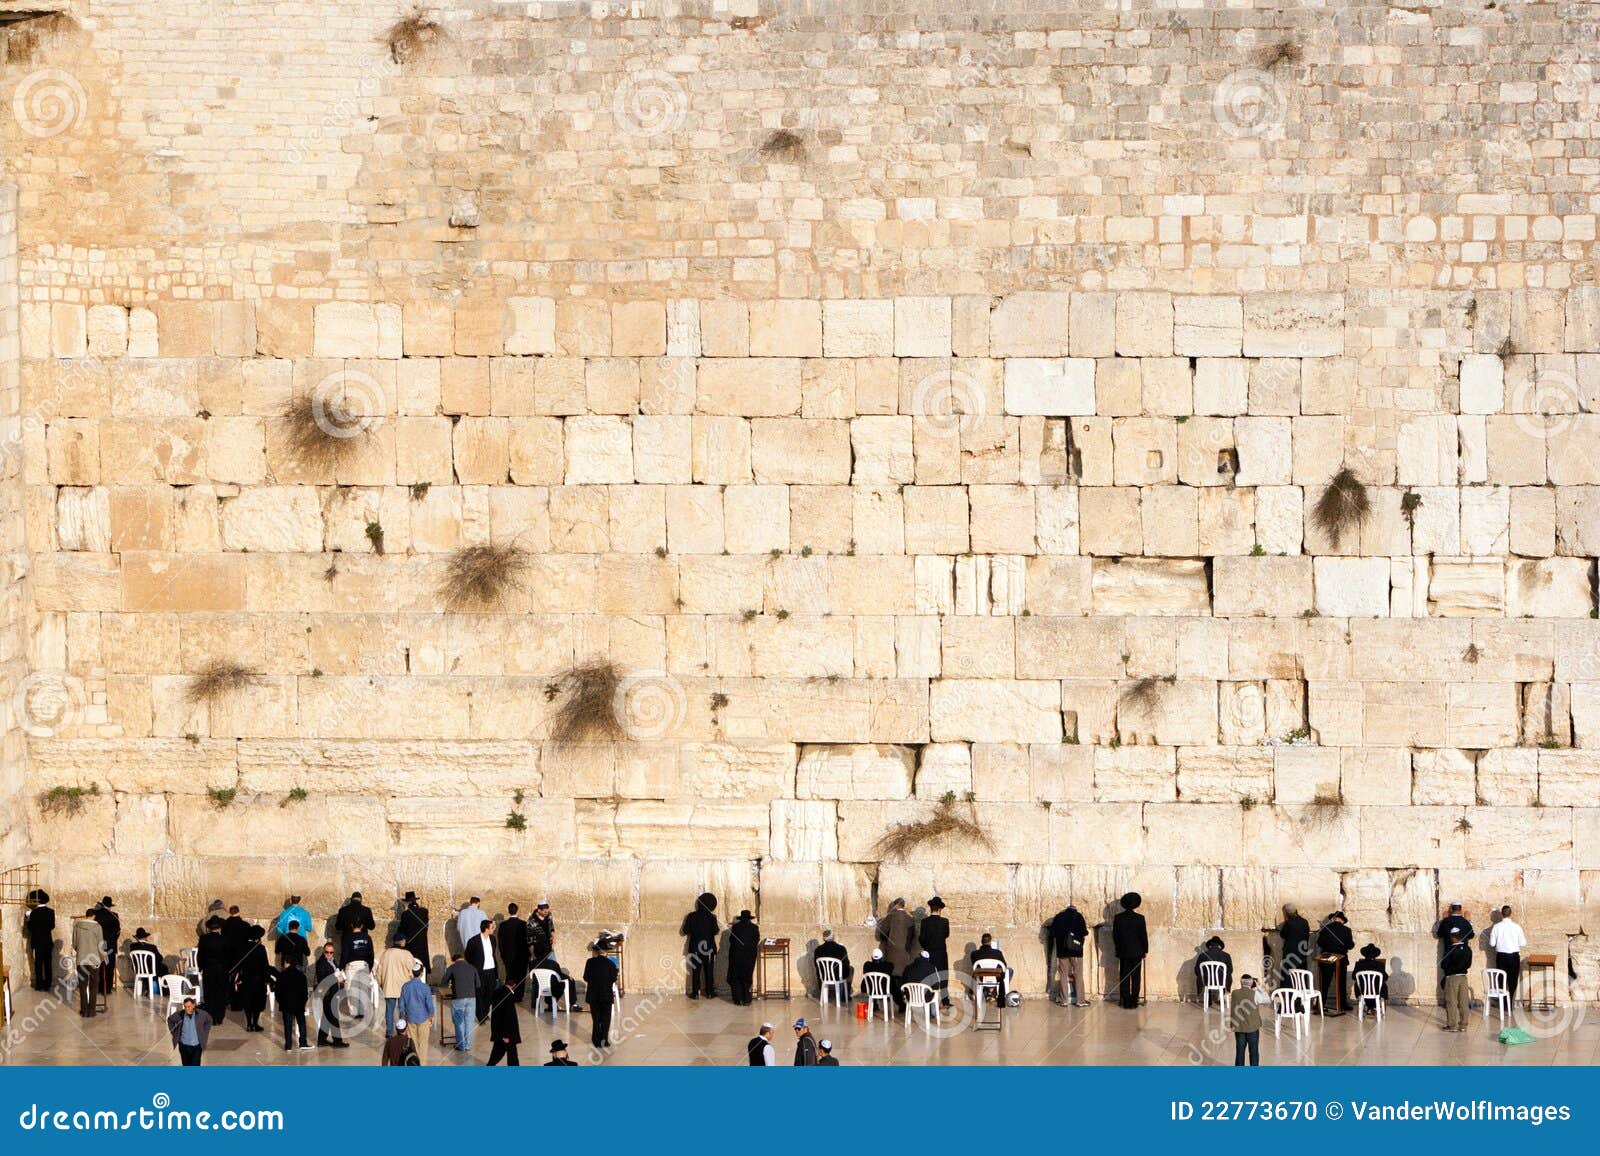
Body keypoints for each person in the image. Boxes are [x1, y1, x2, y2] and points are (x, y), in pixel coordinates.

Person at [1048, 902, 1089, 1007]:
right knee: (1078, 975)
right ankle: (1080, 1001)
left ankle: (1064, 1000)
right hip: (1076, 951)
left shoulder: (1059, 917)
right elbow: (1084, 932)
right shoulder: (1079, 916)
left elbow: (1052, 933)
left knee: (1063, 975)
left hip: (1062, 951)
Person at [680, 892, 720, 999]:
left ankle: (695, 993)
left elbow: (685, 931)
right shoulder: (712, 917)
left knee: (695, 971)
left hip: (695, 948)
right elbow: (716, 931)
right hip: (709, 948)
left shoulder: (691, 916)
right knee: (709, 971)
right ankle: (710, 992)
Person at [375, 933, 416, 1037]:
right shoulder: (406, 954)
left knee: (389, 1011)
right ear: (402, 941)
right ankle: (402, 1031)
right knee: (403, 1011)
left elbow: (379, 971)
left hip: (389, 987)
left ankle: (389, 1032)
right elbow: (412, 971)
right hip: (403, 988)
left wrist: (380, 983)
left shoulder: (386, 953)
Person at [582, 939, 620, 1049]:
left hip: (593, 995)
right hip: (606, 995)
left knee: (596, 1018)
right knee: (606, 1018)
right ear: (606, 952)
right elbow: (613, 978)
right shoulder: (611, 964)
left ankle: (596, 1040)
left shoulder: (589, 962)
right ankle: (604, 1039)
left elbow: (586, 977)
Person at [1112, 892, 1147, 1009]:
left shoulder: (1118, 918)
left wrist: (1118, 948)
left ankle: (1125, 1000)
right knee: (1136, 977)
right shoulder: (1140, 918)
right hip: (1137, 952)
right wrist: (1145, 950)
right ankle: (1134, 1001)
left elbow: (1115, 936)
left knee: (1124, 976)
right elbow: (1143, 936)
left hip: (1124, 952)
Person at [398, 960, 436, 1065]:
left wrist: (402, 1018)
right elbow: (430, 1005)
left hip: (410, 1019)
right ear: (421, 973)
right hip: (423, 1019)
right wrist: (431, 1016)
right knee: (423, 1045)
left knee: (413, 1045)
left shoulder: (405, 986)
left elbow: (401, 1005)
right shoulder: (425, 987)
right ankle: (421, 1065)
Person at [1316, 911, 1355, 1011]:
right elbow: (1350, 945)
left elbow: (1320, 943)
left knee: (1324, 983)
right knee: (1341, 983)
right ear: (1342, 920)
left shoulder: (1326, 929)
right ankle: (1342, 1005)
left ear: (1333, 919)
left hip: (1327, 957)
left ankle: (1320, 1004)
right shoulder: (1347, 930)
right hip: (1341, 959)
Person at [273, 954, 312, 1052]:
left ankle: (288, 1046)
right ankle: (303, 1043)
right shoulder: (301, 975)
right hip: (299, 1004)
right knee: (301, 1024)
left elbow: (277, 992)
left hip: (286, 1005)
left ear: (287, 963)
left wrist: (281, 1002)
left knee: (288, 1025)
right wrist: (303, 1002)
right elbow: (305, 992)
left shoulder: (281, 975)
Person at [314, 941, 349, 1048]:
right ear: (323, 952)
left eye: (331, 952)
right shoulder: (321, 963)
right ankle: (337, 1041)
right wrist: (336, 979)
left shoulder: (333, 961)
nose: (329, 954)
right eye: (326, 952)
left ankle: (321, 1040)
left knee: (327, 1017)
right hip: (327, 993)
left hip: (334, 992)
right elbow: (322, 979)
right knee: (333, 1017)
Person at [236, 926, 271, 1032]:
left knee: (248, 1002)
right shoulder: (260, 948)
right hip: (258, 980)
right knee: (257, 1002)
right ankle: (255, 1024)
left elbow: (240, 965)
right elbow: (265, 965)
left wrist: (239, 978)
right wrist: (267, 980)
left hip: (246, 979)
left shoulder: (243, 947)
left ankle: (249, 1024)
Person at [196, 916, 230, 1025]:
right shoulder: (224, 939)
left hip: (208, 969)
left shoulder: (203, 939)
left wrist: (201, 967)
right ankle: (219, 1017)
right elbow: (227, 956)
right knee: (220, 993)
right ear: (219, 927)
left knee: (209, 993)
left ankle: (210, 1016)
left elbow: (200, 955)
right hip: (221, 970)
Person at [1489, 905, 1526, 1000]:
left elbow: (1492, 944)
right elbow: (1523, 943)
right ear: (1511, 914)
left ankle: (1503, 1002)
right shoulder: (1517, 927)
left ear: (1502, 914)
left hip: (1501, 957)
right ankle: (1511, 1002)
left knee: (1501, 979)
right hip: (1514, 956)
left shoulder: (1496, 927)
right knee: (1513, 980)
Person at [919, 897, 951, 1006]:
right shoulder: (944, 921)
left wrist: (925, 947)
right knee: (943, 975)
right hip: (941, 953)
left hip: (928, 953)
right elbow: (946, 935)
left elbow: (922, 938)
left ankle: (929, 998)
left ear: (931, 908)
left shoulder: (924, 922)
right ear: (940, 909)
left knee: (929, 975)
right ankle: (945, 1001)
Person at [444, 951, 479, 1051]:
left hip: (458, 998)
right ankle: (468, 1045)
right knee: (469, 1022)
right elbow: (478, 984)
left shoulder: (452, 967)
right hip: (472, 998)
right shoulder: (472, 967)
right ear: (463, 958)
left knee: (459, 1022)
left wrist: (452, 982)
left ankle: (461, 1045)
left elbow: (443, 981)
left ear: (454, 960)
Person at [464, 919, 498, 1022]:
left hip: (491, 970)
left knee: (490, 993)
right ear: (486, 928)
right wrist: (475, 967)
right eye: (492, 927)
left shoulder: (493, 939)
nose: (493, 929)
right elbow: (468, 956)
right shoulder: (473, 941)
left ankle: (485, 1012)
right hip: (480, 971)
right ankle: (480, 1015)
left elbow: (493, 954)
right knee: (480, 993)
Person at [875, 897, 916, 979]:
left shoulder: (890, 917)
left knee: (892, 975)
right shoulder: (910, 919)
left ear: (896, 905)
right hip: (905, 953)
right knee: (903, 975)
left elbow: (882, 932)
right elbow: (912, 936)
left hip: (892, 951)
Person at [1440, 928, 1472, 1032]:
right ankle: (1463, 1025)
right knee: (1463, 1001)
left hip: (1452, 978)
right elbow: (1468, 964)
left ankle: (1452, 1025)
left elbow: (1443, 965)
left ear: (1452, 937)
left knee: (1451, 1001)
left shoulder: (1450, 950)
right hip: (1463, 977)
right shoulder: (1468, 949)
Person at [726, 908, 760, 1005]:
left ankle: (738, 999)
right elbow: (756, 940)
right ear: (749, 918)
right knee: (747, 976)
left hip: (737, 956)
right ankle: (747, 999)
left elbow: (731, 940)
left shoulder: (736, 927)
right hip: (750, 956)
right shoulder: (754, 928)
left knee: (736, 977)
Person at [72, 908, 102, 1017]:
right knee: (94, 985)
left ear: (86, 915)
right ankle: (92, 1010)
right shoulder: (97, 927)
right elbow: (100, 945)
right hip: (94, 960)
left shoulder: (77, 926)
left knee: (83, 986)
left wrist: (81, 952)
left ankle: (84, 1010)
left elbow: (74, 943)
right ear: (94, 916)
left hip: (81, 959)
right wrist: (102, 958)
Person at [1228, 975, 1263, 1066]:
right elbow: (1266, 999)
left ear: (1240, 982)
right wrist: (1258, 987)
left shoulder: (1234, 993)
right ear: (1251, 982)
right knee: (1253, 1051)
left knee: (1240, 1052)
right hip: (1252, 1028)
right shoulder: (1255, 994)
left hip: (1239, 1028)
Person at [23, 890, 55, 991]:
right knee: (48, 964)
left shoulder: (33, 913)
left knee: (38, 964)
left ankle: (39, 985)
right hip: (47, 942)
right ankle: (48, 985)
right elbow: (52, 926)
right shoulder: (51, 912)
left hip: (37, 942)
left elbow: (30, 928)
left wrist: (28, 919)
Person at [499, 902, 531, 1001]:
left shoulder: (503, 925)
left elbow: (500, 942)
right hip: (522, 956)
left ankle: (510, 995)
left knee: (510, 976)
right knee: (521, 976)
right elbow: (528, 941)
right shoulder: (524, 924)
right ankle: (519, 996)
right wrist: (529, 954)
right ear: (517, 911)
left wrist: (503, 955)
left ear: (508, 911)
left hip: (508, 956)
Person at [168, 996, 212, 1066]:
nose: (187, 1009)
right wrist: (175, 1033)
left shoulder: (201, 1014)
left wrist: (205, 1032)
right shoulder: (180, 1014)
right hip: (184, 1046)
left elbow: (209, 1020)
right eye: (185, 1007)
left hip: (196, 1046)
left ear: (193, 1005)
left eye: (189, 1006)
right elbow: (170, 1020)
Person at [221, 905, 250, 1009]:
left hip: (228, 955)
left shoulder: (225, 925)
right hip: (241, 955)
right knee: (240, 978)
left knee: (229, 978)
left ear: (230, 912)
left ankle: (229, 998)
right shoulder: (245, 925)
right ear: (238, 911)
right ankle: (239, 1000)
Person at [969, 933, 1010, 1006]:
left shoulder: (974, 954)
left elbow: (974, 967)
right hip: (996, 979)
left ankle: (988, 992)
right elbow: (1004, 966)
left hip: (981, 978)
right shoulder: (998, 953)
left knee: (976, 974)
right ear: (990, 942)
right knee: (1009, 971)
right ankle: (992, 991)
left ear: (981, 941)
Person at [486, 984, 521, 1066]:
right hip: (506, 1032)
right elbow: (508, 1017)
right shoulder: (507, 996)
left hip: (499, 1030)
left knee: (500, 1052)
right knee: (509, 1054)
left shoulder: (498, 993)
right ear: (514, 985)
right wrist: (506, 1035)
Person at [1277, 904, 1310, 989]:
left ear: (1286, 913)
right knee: (1300, 976)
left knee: (1288, 977)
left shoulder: (1288, 923)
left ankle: (1289, 998)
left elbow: (1283, 935)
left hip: (1290, 954)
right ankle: (1300, 998)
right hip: (1302, 954)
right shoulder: (1304, 921)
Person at [398, 892, 430, 978]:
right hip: (422, 943)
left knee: (411, 966)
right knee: (422, 964)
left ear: (407, 903)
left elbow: (401, 930)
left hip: (410, 944)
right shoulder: (424, 912)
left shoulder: (405, 914)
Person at [93, 896, 121, 996]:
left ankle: (99, 988)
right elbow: (118, 932)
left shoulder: (96, 914)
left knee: (98, 966)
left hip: (98, 944)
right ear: (110, 906)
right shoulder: (114, 915)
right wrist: (112, 940)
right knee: (109, 966)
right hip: (110, 945)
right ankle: (107, 989)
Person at [813, 929, 854, 996]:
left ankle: (823, 993)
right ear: (833, 937)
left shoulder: (817, 950)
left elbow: (816, 964)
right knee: (851, 968)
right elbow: (847, 963)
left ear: (823, 938)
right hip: (838, 976)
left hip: (824, 976)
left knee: (818, 971)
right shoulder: (841, 948)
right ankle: (845, 995)